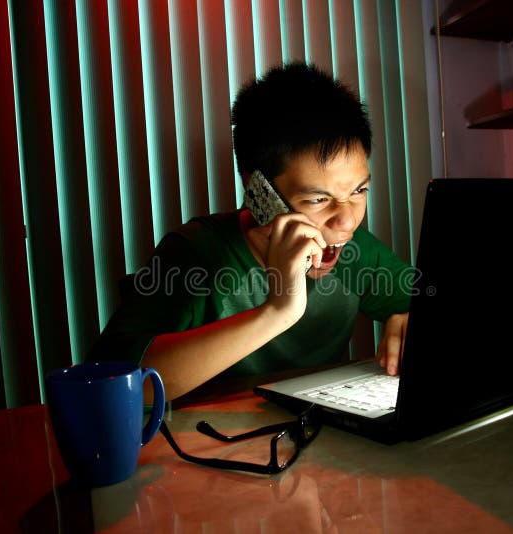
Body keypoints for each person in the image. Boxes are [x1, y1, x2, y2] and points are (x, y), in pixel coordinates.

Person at [88, 63, 414, 401]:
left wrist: (409, 319)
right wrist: (279, 311)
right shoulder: (196, 252)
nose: (347, 221)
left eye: (359, 192)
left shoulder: (355, 250)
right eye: (318, 199)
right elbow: (106, 386)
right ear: (258, 189)